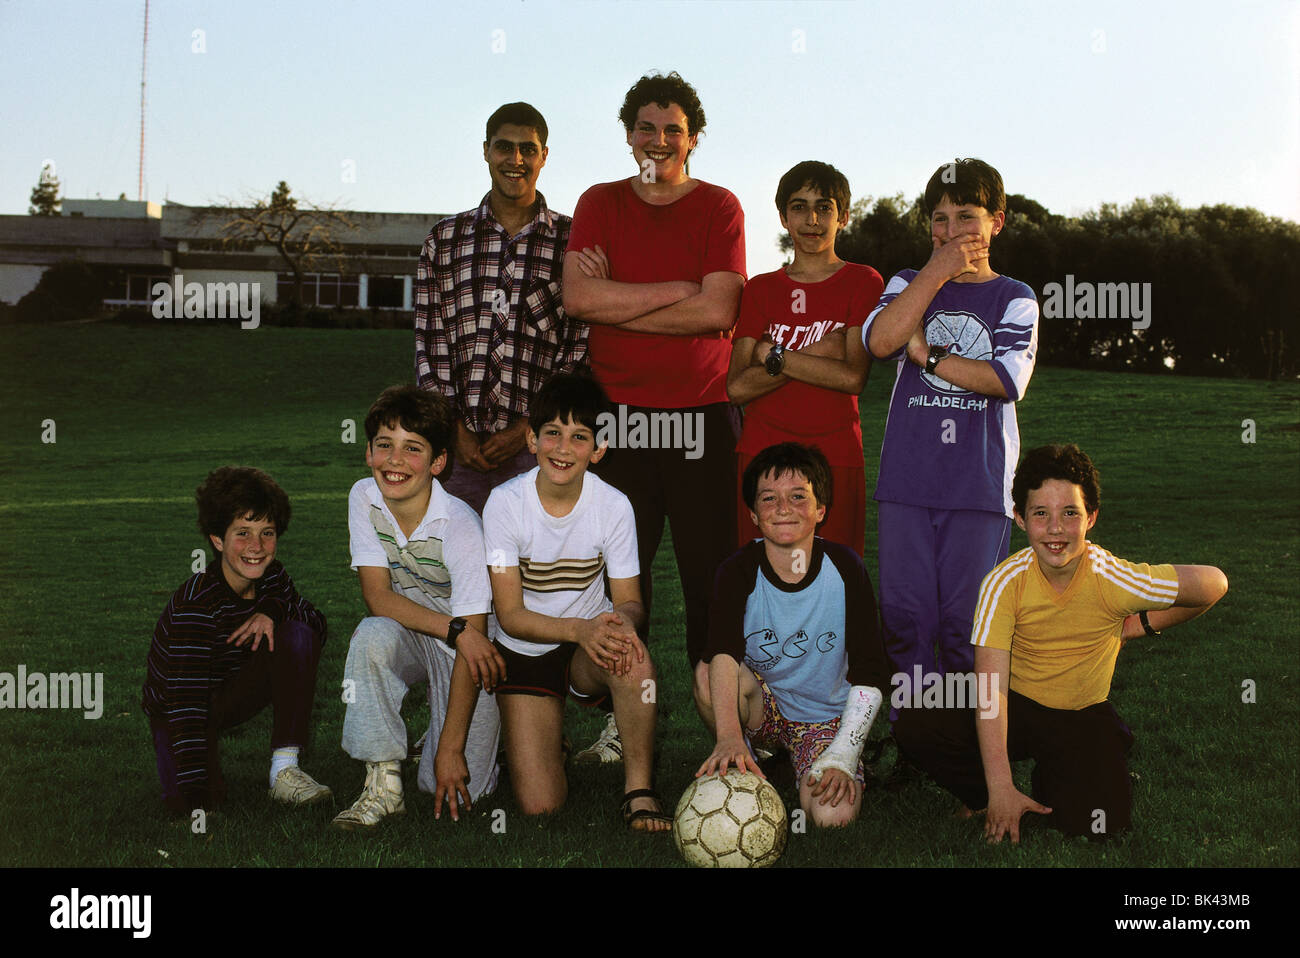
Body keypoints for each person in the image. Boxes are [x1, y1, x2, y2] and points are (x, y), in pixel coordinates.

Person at [894, 444, 1228, 842]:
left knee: (1100, 825)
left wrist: (1139, 625)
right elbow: (990, 691)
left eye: (1070, 513)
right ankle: (984, 797)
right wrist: (999, 785)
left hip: (1080, 712)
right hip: (1016, 702)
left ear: (1092, 519)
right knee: (918, 713)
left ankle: (1070, 764)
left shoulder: (1112, 577)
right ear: (1019, 519)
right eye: (1041, 514)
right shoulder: (1004, 583)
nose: (1056, 529)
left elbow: (1213, 584)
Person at [563, 72, 746, 760]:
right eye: (645, 127)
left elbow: (719, 310)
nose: (658, 140)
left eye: (672, 129)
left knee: (709, 581)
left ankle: (722, 730)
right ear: (627, 134)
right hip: (620, 423)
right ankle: (620, 724)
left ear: (692, 137)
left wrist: (621, 294)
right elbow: (579, 301)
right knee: (620, 582)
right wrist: (676, 290)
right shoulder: (600, 202)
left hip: (700, 418)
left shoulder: (719, 207)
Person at [862, 158, 1039, 718]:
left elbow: (1006, 379)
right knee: (907, 617)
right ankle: (918, 740)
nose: (951, 230)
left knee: (968, 624)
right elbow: (881, 341)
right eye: (939, 218)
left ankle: (969, 749)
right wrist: (933, 274)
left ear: (997, 222)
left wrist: (931, 355)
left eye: (967, 216)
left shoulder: (1015, 296)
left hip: (978, 486)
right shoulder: (905, 283)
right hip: (908, 481)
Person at [483, 372, 668, 831]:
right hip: (524, 649)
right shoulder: (504, 503)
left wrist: (620, 624)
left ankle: (639, 791)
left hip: (586, 646)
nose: (563, 449)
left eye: (579, 437)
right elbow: (509, 615)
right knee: (541, 806)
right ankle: (547, 740)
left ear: (598, 449)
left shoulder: (614, 505)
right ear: (531, 439)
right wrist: (579, 629)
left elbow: (630, 601)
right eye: (553, 434)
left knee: (633, 658)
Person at [332, 385, 505, 830]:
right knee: (371, 635)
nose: (394, 460)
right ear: (368, 452)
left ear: (438, 462)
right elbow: (378, 597)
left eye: (413, 449)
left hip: (469, 652)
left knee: (452, 786)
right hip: (424, 630)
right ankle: (382, 782)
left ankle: (464, 735)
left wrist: (451, 748)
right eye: (384, 446)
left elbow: (475, 638)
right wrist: (454, 628)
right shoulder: (364, 497)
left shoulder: (461, 525)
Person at [695, 443, 890, 828]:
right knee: (706, 673)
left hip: (824, 719)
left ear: (821, 510)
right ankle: (743, 754)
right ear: (753, 513)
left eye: (798, 496)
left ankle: (811, 757)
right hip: (763, 705)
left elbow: (871, 670)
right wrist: (730, 735)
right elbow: (722, 653)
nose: (783, 508)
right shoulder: (736, 571)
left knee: (832, 816)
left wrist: (845, 754)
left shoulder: (845, 568)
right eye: (769, 498)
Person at [415, 102, 586, 517]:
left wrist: (529, 426)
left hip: (540, 449)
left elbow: (580, 347)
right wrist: (453, 431)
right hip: (457, 454)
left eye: (528, 149)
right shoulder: (445, 240)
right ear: (486, 150)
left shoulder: (573, 241)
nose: (515, 160)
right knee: (457, 573)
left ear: (544, 155)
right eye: (504, 147)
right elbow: (429, 345)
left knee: (534, 573)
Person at [142, 466, 329, 815]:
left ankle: (284, 771)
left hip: (230, 691)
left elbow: (318, 625)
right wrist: (195, 792)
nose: (256, 547)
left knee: (298, 634)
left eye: (267, 532)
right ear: (217, 540)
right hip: (179, 707)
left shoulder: (274, 579)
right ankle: (194, 787)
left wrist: (273, 611)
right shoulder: (196, 604)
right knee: (195, 805)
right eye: (242, 533)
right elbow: (185, 702)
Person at [728, 160, 883, 555]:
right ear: (782, 217)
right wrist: (819, 353)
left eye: (824, 207)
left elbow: (853, 379)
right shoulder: (760, 289)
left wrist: (772, 354)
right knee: (761, 574)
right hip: (764, 450)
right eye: (799, 207)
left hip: (835, 451)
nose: (811, 219)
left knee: (836, 574)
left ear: (844, 216)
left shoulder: (863, 281)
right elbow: (737, 387)